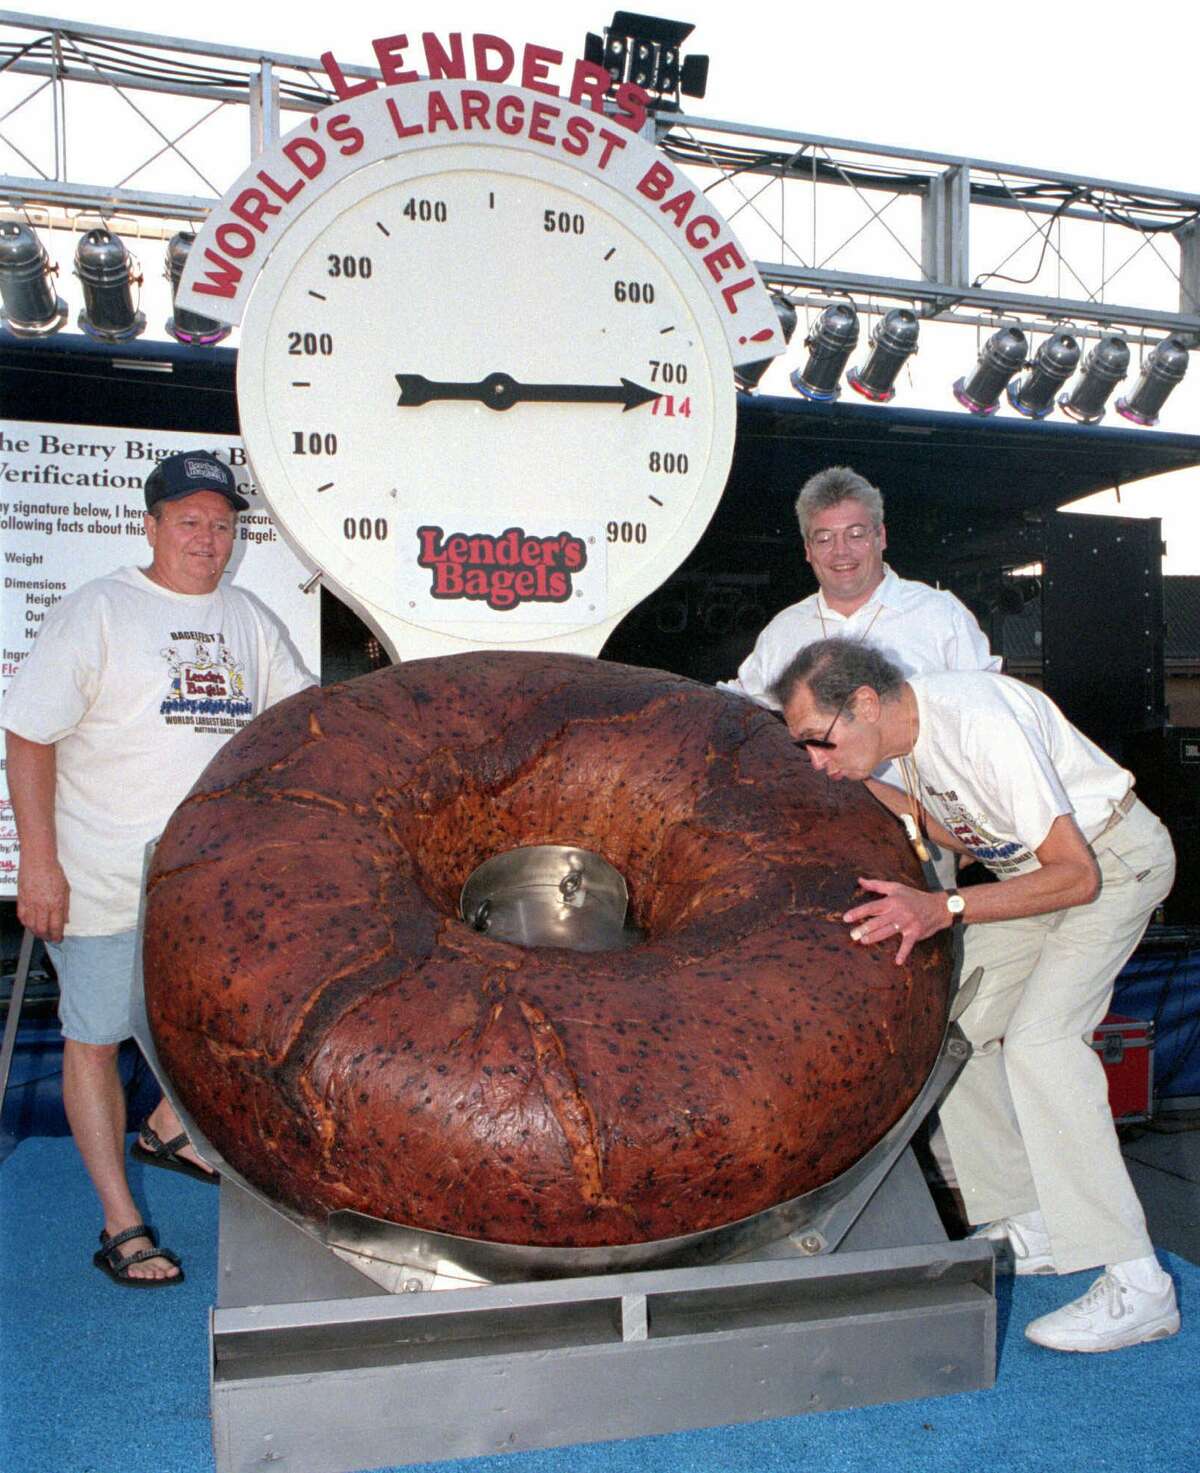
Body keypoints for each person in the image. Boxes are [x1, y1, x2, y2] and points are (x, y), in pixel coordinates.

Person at [771, 637, 1179, 1353]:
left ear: (865, 703)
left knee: (1043, 1044)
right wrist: (863, 791)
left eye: (818, 740)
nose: (815, 760)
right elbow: (955, 828)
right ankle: (1032, 1216)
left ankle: (1139, 1281)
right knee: (947, 1017)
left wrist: (944, 908)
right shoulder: (908, 741)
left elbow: (1077, 875)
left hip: (1111, 866)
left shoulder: (978, 722)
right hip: (1036, 880)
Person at [1, 450, 316, 1287]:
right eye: (189, 521)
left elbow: (303, 724)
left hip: (210, 889)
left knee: (240, 1020)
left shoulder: (249, 618)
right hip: (105, 880)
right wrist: (39, 862)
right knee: (95, 1039)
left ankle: (171, 1124)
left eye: (222, 524)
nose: (207, 538)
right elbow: (28, 735)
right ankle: (122, 1223)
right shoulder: (99, 611)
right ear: (151, 526)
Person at [721, 464, 999, 711]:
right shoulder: (783, 631)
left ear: (881, 537)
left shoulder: (940, 614)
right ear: (808, 549)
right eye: (824, 538)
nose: (841, 551)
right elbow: (736, 710)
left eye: (855, 534)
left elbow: (989, 708)